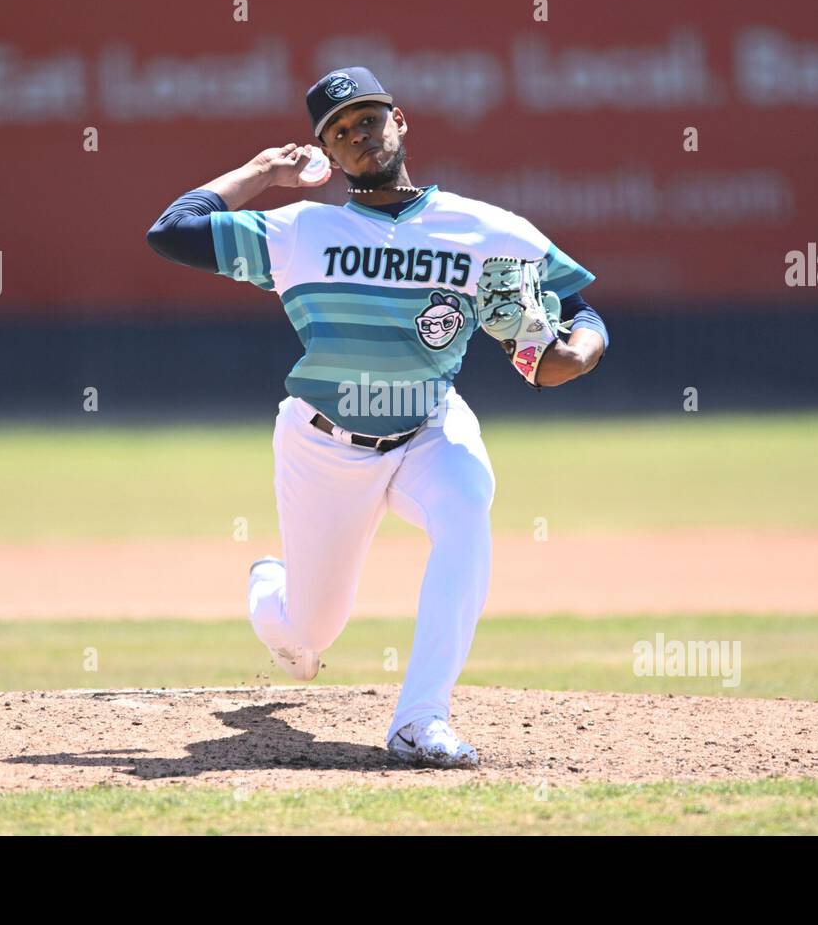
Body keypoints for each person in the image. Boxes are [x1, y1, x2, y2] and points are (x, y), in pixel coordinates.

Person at [146, 67, 607, 768]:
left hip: (429, 427)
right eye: (340, 131)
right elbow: (171, 232)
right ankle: (272, 589)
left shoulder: (485, 229)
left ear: (400, 120)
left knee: (466, 509)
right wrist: (264, 170)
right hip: (325, 446)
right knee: (308, 634)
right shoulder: (300, 231)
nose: (360, 135)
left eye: (368, 119)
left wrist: (584, 350)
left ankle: (419, 719)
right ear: (327, 154)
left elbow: (578, 307)